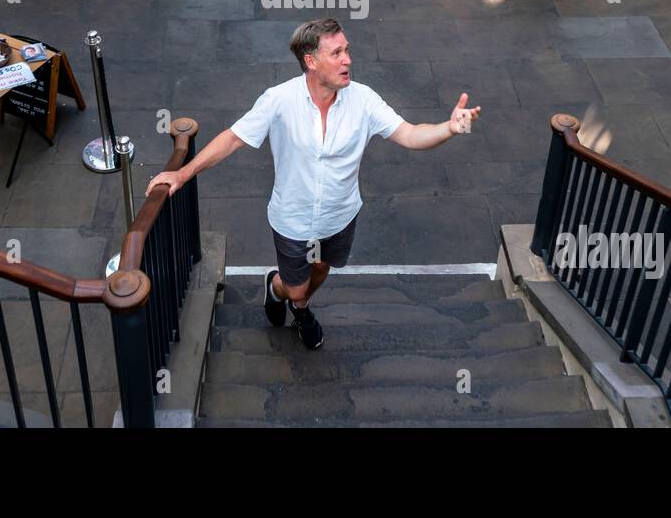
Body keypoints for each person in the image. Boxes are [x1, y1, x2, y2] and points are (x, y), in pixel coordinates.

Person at [145, 18, 482, 349]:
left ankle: (299, 306)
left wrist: (449, 128)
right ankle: (284, 294)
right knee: (296, 287)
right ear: (311, 61)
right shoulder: (278, 100)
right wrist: (182, 174)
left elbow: (409, 134)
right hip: (292, 220)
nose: (348, 60)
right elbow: (233, 139)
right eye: (336, 53)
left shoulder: (364, 100)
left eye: (347, 50)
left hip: (339, 217)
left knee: (320, 269)